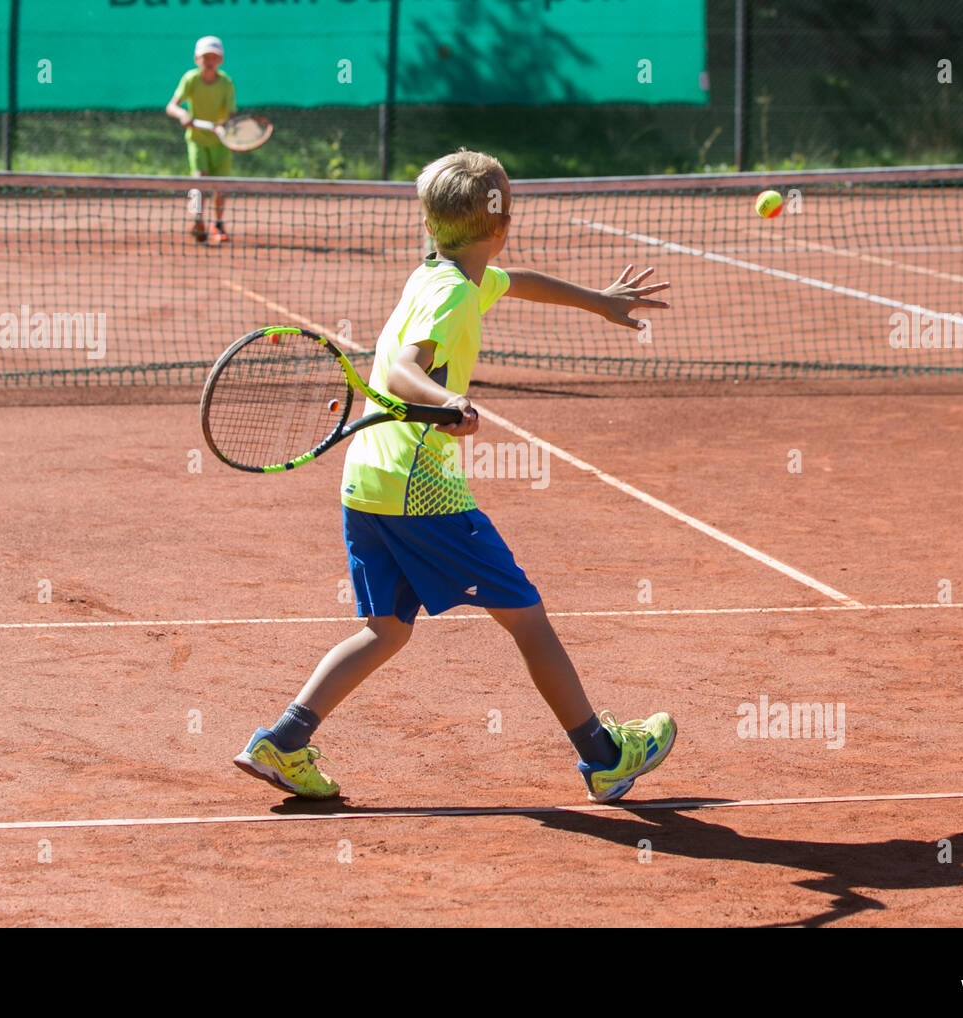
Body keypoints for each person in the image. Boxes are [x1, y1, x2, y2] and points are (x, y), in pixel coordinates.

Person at [233, 149, 677, 803]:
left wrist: (597, 301)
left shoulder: (442, 274)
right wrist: (444, 402)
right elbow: (407, 368)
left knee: (385, 629)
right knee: (527, 619)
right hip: (423, 491)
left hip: (369, 480)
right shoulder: (452, 298)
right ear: (503, 225)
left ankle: (285, 740)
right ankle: (605, 756)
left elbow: (515, 281)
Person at [165, 35, 235, 244]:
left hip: (221, 142)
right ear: (197, 58)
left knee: (220, 186)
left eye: (214, 57)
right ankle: (197, 220)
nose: (209, 60)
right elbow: (171, 106)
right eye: (206, 56)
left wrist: (224, 127)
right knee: (198, 181)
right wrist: (182, 115)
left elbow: (231, 115)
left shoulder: (226, 84)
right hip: (196, 139)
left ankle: (218, 224)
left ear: (220, 60)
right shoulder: (191, 79)